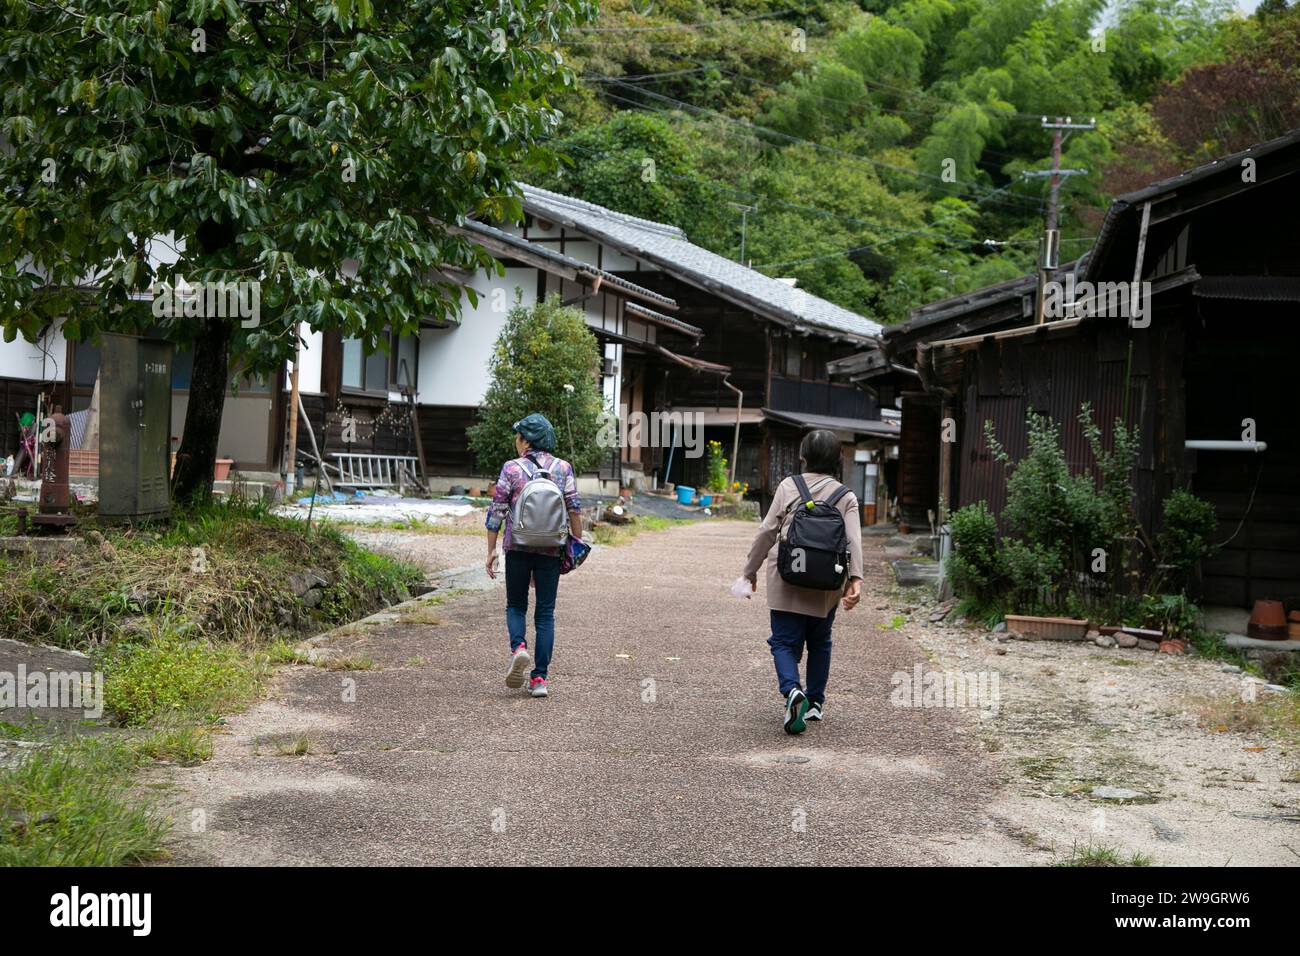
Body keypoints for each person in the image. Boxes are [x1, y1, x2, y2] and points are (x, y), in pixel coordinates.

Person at [741, 429, 864, 734]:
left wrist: (750, 571)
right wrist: (855, 580)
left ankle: (791, 690)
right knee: (820, 641)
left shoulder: (788, 487)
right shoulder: (845, 496)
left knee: (783, 641)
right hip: (827, 584)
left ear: (803, 457)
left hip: (786, 579)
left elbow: (767, 531)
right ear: (839, 459)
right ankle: (815, 702)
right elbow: (853, 541)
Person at [485, 413, 583, 698]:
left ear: (526, 440)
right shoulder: (563, 468)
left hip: (517, 546)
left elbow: (497, 512)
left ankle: (519, 648)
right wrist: (575, 543)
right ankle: (539, 679)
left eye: (518, 437)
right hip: (551, 548)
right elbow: (574, 507)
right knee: (545, 614)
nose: (516, 442)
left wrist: (491, 549)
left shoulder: (512, 469)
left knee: (516, 606)